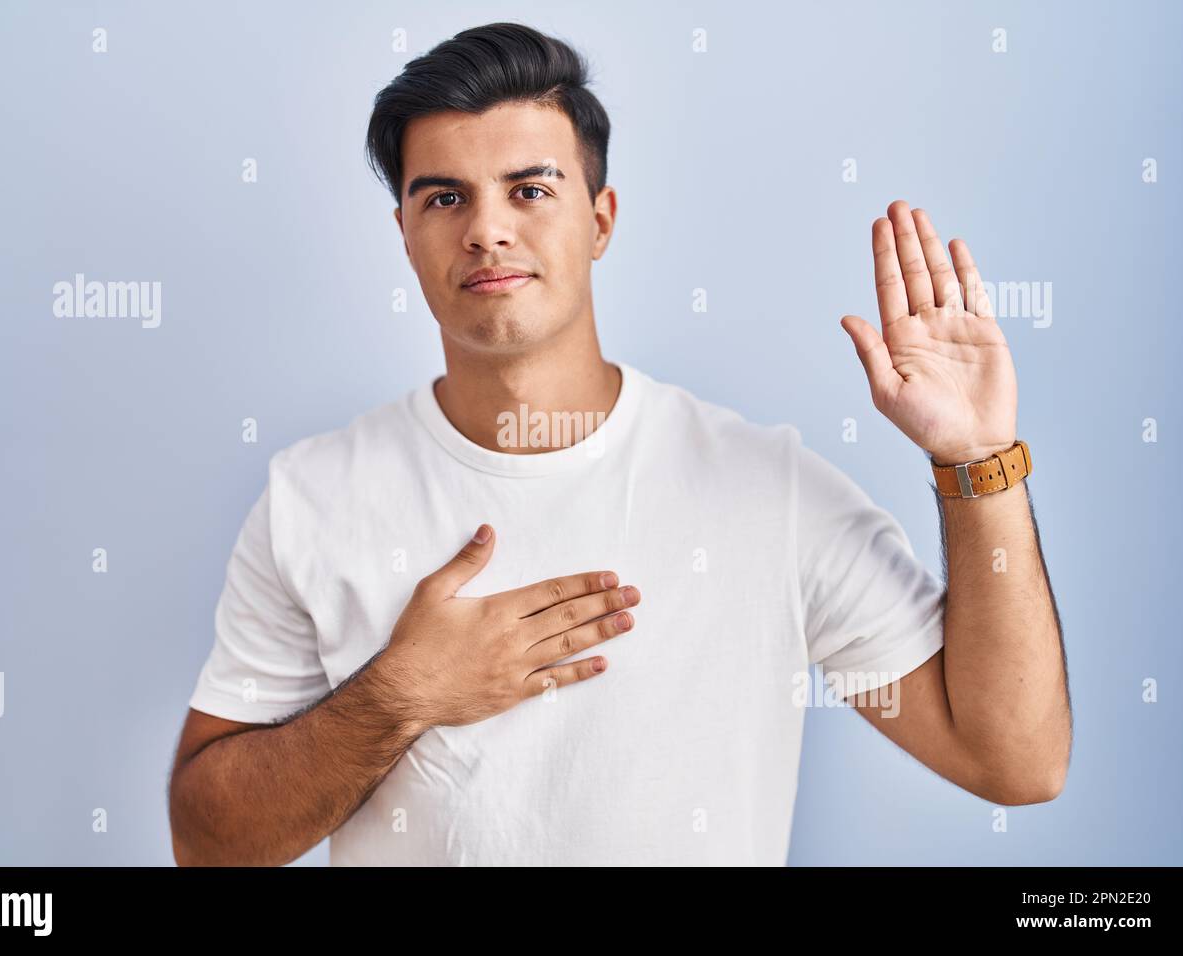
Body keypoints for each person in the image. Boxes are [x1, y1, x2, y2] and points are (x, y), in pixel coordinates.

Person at [167, 21, 1070, 866]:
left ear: (600, 220)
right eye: (444, 197)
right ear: (404, 234)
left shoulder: (770, 491)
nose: (487, 229)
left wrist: (976, 464)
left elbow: (1014, 764)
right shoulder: (313, 496)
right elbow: (208, 843)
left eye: (530, 189)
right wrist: (401, 694)